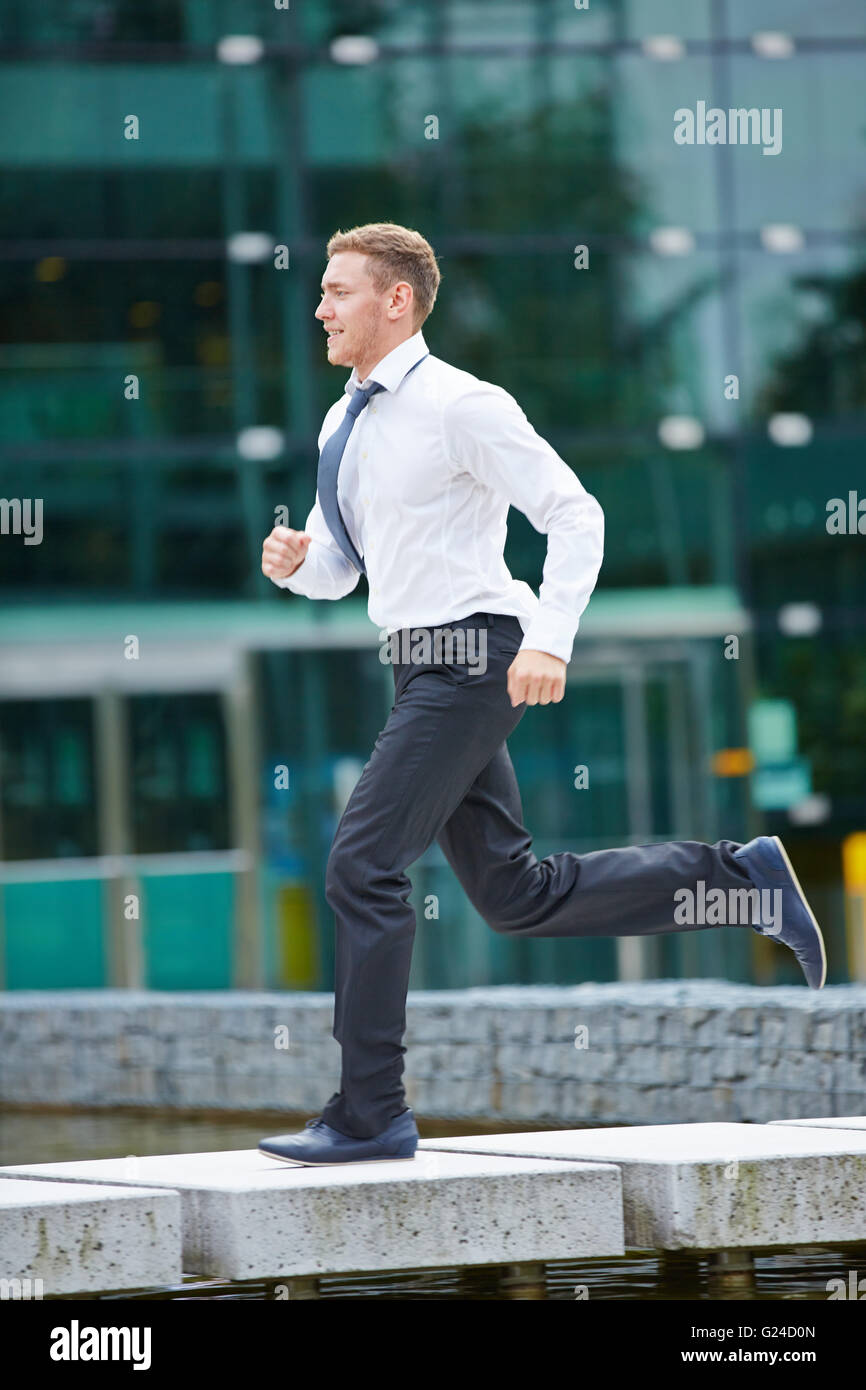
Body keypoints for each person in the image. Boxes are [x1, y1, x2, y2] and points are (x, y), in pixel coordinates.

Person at [258, 221, 826, 1168]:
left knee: (363, 865)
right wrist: (297, 564)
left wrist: (550, 642)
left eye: (338, 290)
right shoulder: (341, 421)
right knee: (514, 895)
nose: (319, 306)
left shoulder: (462, 405)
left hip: (473, 659)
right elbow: (346, 569)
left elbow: (575, 514)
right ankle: (745, 882)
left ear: (396, 300)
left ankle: (370, 1112)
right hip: (416, 660)